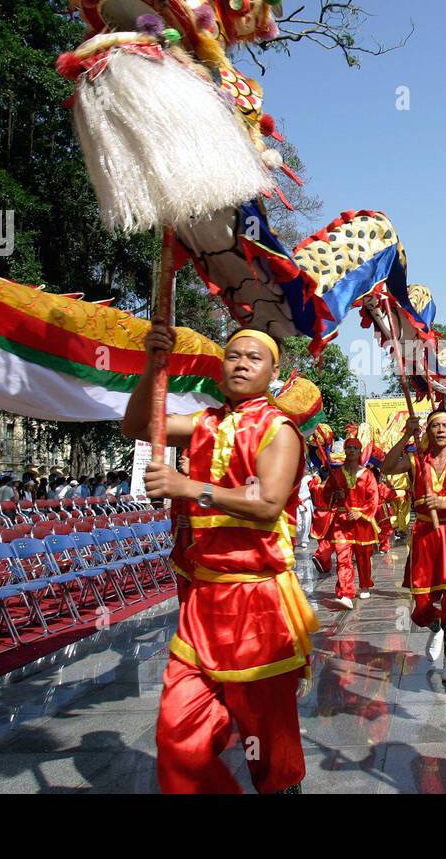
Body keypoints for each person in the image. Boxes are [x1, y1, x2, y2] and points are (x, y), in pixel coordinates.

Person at [122, 321, 317, 794]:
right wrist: (154, 365)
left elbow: (268, 503)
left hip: (260, 604)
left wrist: (188, 487)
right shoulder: (203, 423)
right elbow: (137, 426)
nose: (242, 362)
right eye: (234, 355)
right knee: (177, 734)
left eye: (254, 357)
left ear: (273, 371)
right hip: (203, 605)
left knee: (270, 749)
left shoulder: (280, 430)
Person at [381, 410, 446, 683]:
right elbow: (387, 467)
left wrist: (445, 503)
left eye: (445, 425)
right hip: (425, 534)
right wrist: (405, 434)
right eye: (434, 425)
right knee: (422, 604)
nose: (440, 429)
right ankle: (435, 626)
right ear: (427, 430)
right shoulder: (416, 462)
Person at [325, 437, 379, 608]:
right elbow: (325, 496)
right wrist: (335, 496)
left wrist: (360, 513)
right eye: (348, 447)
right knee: (343, 558)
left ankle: (364, 584)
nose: (351, 450)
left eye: (355, 448)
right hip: (342, 522)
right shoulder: (336, 474)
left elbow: (374, 499)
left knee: (363, 556)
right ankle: (346, 592)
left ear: (360, 451)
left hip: (362, 522)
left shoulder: (368, 474)